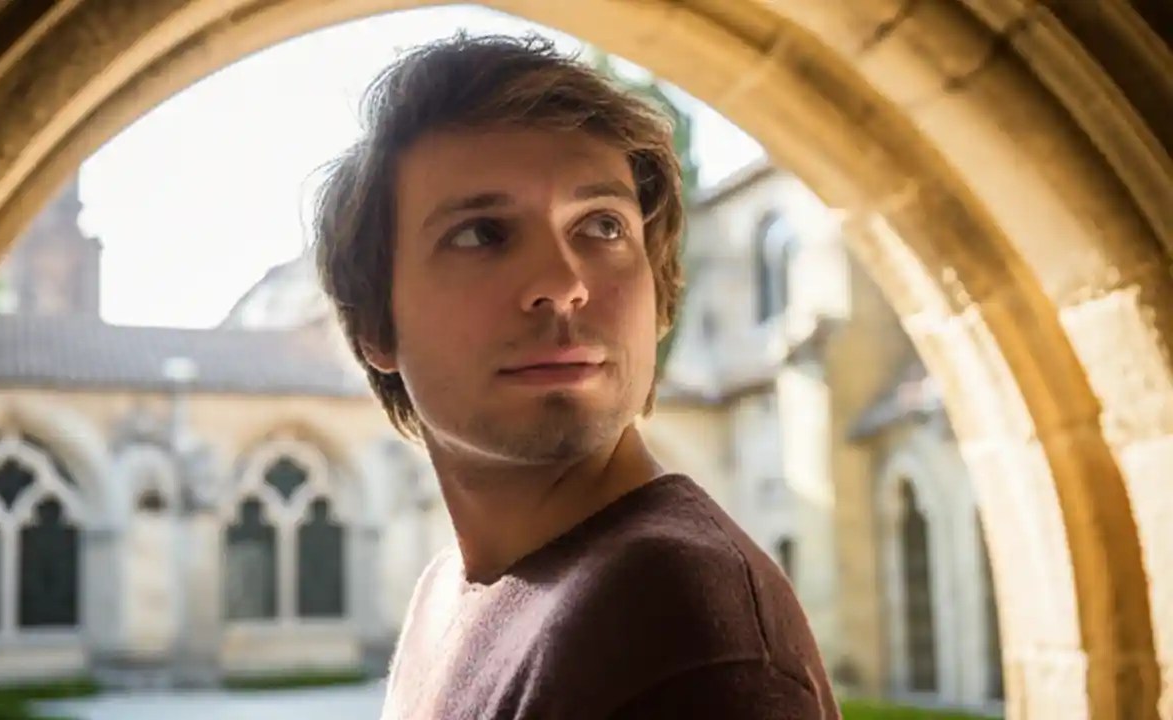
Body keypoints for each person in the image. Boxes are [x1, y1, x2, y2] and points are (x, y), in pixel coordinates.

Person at [313, 33, 838, 720]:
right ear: (375, 327)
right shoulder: (446, 590)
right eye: (481, 233)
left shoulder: (679, 631)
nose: (563, 284)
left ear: (660, 296)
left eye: (602, 226)